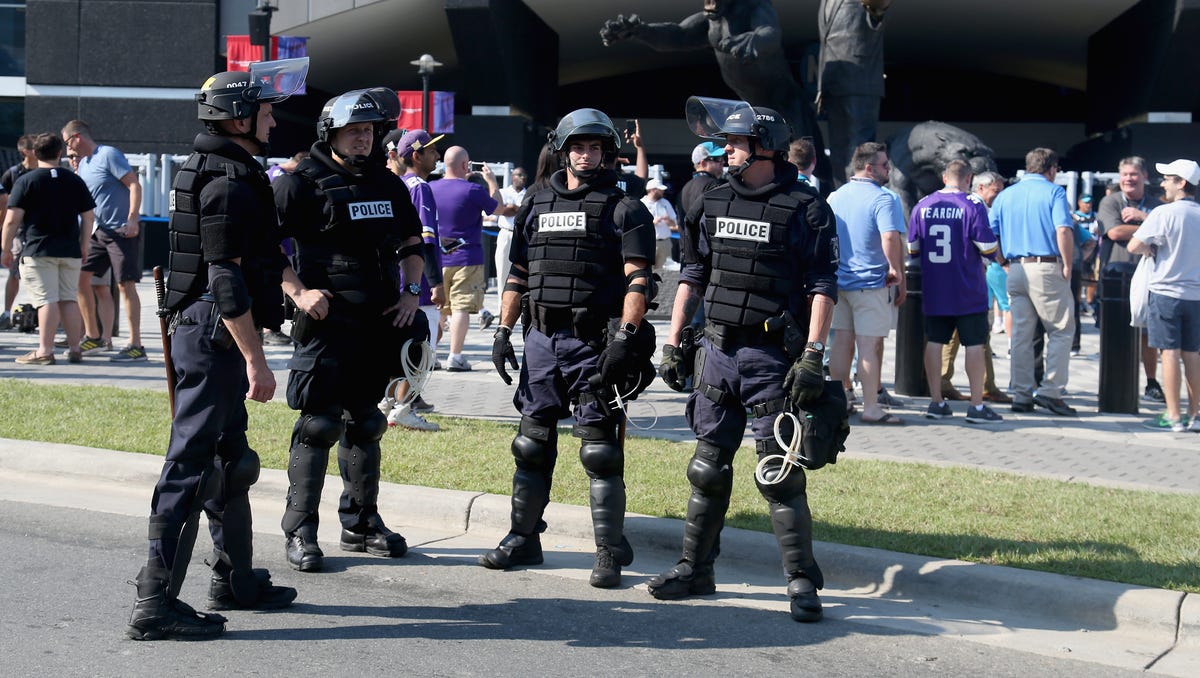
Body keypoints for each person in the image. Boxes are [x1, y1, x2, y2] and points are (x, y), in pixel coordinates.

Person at [125, 60, 308, 641]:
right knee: (190, 465)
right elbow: (224, 278)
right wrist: (255, 358)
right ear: (236, 116)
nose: (274, 117)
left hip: (206, 329)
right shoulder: (228, 182)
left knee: (233, 463)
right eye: (265, 107)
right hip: (215, 333)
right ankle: (154, 603)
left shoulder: (226, 167)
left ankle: (236, 580)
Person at [649, 97, 843, 623]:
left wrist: (813, 356)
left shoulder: (805, 208)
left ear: (765, 148)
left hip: (771, 357)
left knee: (776, 474)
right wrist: (672, 342)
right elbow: (692, 274)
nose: (724, 149)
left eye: (734, 143)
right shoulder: (708, 200)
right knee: (707, 466)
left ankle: (802, 581)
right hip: (716, 350)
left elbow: (824, 286)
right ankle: (695, 569)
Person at [480, 107, 656, 589]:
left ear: (607, 153)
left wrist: (625, 339)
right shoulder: (535, 201)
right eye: (578, 146)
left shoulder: (625, 208)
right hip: (539, 341)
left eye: (595, 147)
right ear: (563, 149)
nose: (586, 154)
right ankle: (523, 538)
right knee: (530, 445)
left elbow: (640, 280)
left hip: (592, 343)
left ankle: (608, 552)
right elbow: (517, 274)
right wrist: (501, 331)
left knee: (599, 452)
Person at [273, 88, 429, 573]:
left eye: (370, 131)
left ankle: (360, 524)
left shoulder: (390, 184)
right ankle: (299, 531)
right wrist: (299, 294)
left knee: (366, 421)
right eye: (354, 130)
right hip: (325, 322)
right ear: (331, 132)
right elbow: (263, 247)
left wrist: (411, 293)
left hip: (379, 319)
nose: (364, 138)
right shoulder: (301, 183)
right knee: (319, 423)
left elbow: (412, 242)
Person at [907, 160, 1003, 423]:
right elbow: (987, 248)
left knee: (935, 342)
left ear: (943, 177)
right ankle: (976, 406)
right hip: (967, 287)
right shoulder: (972, 204)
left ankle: (936, 401)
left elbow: (913, 249)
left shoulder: (923, 205)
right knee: (974, 344)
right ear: (969, 178)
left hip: (935, 287)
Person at [989, 147, 1076, 416]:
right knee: (1061, 331)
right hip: (1046, 266)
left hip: (1015, 269)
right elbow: (1063, 229)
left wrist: (1003, 262)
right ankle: (1051, 391)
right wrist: (1068, 264)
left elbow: (990, 234)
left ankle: (1022, 393)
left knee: (1021, 335)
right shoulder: (1054, 192)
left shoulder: (1005, 195)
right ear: (1051, 168)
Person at [827, 141, 906, 424]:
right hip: (872, 281)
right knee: (868, 346)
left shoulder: (835, 196)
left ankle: (839, 401)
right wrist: (896, 269)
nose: (889, 170)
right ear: (870, 168)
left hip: (840, 282)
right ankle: (871, 407)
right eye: (885, 165)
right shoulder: (883, 198)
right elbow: (890, 236)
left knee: (840, 344)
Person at [1, 133, 94, 365]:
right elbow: (88, 216)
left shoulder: (27, 180)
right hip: (70, 250)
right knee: (69, 299)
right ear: (59, 153)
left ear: (35, 152)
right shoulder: (75, 180)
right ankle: (75, 349)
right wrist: (84, 245)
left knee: (46, 300)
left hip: (38, 249)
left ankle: (44, 351)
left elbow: (12, 219)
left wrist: (4, 248)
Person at [62, 119, 147, 362]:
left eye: (68, 142)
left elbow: (133, 185)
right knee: (81, 279)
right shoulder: (84, 164)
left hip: (121, 231)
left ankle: (136, 345)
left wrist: (133, 218)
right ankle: (94, 336)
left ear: (77, 137)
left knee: (125, 284)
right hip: (98, 232)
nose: (68, 149)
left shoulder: (107, 154)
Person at [1127, 159, 1200, 432]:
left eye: (1168, 178)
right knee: (1193, 354)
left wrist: (1152, 248)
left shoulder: (1164, 213)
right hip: (1196, 294)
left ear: (1182, 183)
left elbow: (1135, 246)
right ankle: (1195, 415)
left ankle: (1173, 415)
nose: (1162, 182)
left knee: (1169, 353)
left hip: (1166, 291)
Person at [429, 145, 514, 372]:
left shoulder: (429, 188)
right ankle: (455, 357)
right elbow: (498, 208)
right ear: (466, 165)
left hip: (436, 260)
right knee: (461, 309)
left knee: (437, 309)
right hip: (467, 258)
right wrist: (491, 181)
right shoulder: (472, 190)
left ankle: (431, 355)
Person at [382, 126, 445, 431]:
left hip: (402, 279)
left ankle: (389, 401)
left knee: (405, 345)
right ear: (415, 155)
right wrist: (436, 283)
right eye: (432, 150)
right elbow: (422, 241)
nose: (437, 155)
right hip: (417, 282)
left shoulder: (400, 184)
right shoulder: (420, 186)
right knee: (421, 348)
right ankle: (404, 408)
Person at [1096, 157, 1164, 402]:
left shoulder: (1156, 206)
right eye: (1124, 174)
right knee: (1115, 330)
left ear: (1144, 176)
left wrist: (1143, 218)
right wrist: (1152, 226)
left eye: (1133, 174)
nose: (1128, 179)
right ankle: (1114, 382)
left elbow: (1164, 233)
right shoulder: (1110, 202)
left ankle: (1151, 382)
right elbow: (1113, 231)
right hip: (1115, 275)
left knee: (1147, 332)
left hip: (1148, 276)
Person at [817, 0, 891, 186]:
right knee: (838, 154)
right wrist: (821, 86)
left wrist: (877, 8)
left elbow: (876, 13)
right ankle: (842, 202)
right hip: (833, 83)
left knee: (858, 151)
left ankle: (860, 196)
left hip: (860, 82)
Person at [0, 134, 36, 329]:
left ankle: (42, 313)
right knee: (14, 273)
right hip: (18, 230)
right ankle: (6, 313)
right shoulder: (13, 173)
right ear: (25, 151)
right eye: (34, 148)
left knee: (39, 275)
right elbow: (3, 202)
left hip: (40, 230)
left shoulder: (47, 170)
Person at [493, 165, 527, 322]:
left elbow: (517, 211)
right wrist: (513, 209)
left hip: (522, 236)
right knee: (502, 273)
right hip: (506, 233)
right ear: (512, 176)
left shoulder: (528, 193)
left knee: (519, 274)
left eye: (524, 175)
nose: (522, 178)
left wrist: (515, 208)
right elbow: (502, 211)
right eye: (519, 175)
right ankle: (502, 308)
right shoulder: (503, 192)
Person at [642, 178, 677, 269]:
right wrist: (652, 222)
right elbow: (638, 225)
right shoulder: (642, 203)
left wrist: (668, 220)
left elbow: (673, 223)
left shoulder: (665, 203)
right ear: (653, 190)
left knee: (663, 272)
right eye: (660, 190)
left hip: (665, 242)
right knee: (647, 270)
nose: (663, 192)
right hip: (649, 242)